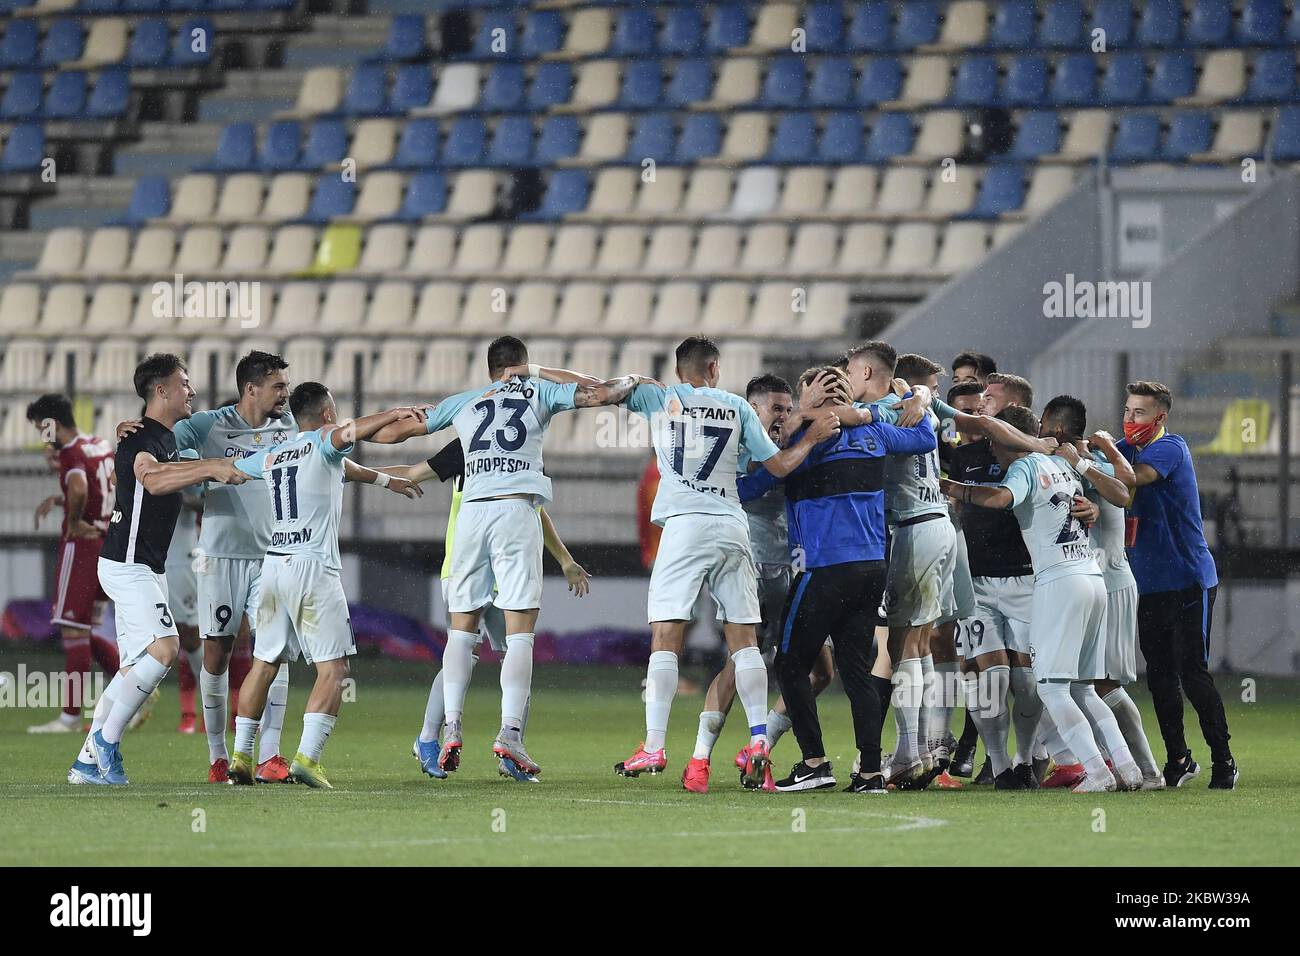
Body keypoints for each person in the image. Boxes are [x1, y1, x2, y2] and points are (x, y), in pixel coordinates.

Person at [370, 335, 651, 777]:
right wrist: (546, 373)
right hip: (517, 511)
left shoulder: (463, 401)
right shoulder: (538, 389)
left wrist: (348, 434)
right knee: (520, 635)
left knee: (461, 635)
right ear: (520, 364)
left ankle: (450, 728)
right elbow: (602, 391)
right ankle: (510, 735)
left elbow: (391, 434)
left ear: (488, 370)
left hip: (471, 518)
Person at [612, 336, 839, 788]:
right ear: (715, 369)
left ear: (681, 371)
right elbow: (776, 467)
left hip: (686, 526)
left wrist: (546, 376)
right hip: (733, 529)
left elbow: (601, 391)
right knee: (746, 645)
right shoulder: (736, 408)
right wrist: (810, 433)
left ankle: (655, 744)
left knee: (666, 636)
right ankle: (756, 740)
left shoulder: (663, 397)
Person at [740, 366, 939, 793]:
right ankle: (870, 773)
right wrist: (916, 399)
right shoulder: (877, 433)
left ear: (809, 396)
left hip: (823, 568)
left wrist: (798, 426)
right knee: (856, 670)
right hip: (871, 567)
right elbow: (925, 437)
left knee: (791, 664)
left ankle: (814, 763)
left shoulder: (800, 441)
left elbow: (751, 486)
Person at [227, 384, 424, 788]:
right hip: (312, 568)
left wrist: (386, 481)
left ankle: (242, 757)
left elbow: (341, 467)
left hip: (273, 567)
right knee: (334, 668)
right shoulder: (324, 441)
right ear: (327, 414)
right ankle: (307, 759)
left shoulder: (278, 452)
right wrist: (394, 412)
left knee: (264, 663)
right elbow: (351, 434)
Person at [68, 354, 250, 786]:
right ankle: (108, 744)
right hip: (127, 566)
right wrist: (211, 468)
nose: (191, 390)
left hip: (147, 567)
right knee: (165, 648)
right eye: (184, 383)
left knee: (135, 668)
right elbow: (152, 479)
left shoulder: (167, 437)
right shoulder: (139, 441)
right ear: (162, 391)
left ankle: (87, 761)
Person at [941, 406, 1141, 793]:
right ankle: (1128, 768)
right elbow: (1114, 493)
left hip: (1058, 581)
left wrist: (954, 488)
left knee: (1050, 687)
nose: (993, 453)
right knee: (1083, 687)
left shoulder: (1025, 466)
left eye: (996, 443)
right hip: (1092, 576)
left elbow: (1001, 498)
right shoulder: (1064, 463)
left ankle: (1098, 773)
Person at [372, 439, 592, 784]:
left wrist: (564, 559)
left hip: (498, 561)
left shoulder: (524, 444)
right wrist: (360, 474)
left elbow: (533, 508)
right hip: (466, 563)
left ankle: (508, 752)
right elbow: (414, 472)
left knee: (509, 654)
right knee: (480, 648)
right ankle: (429, 737)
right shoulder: (471, 442)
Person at [1117, 381, 1238, 790]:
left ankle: (1224, 760)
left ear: (1160, 417)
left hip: (1189, 579)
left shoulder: (1171, 449)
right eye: (1129, 410)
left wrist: (1086, 462)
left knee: (1192, 671)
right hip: (1149, 583)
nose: (1131, 419)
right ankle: (1179, 759)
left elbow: (1134, 478)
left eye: (1140, 413)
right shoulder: (1122, 447)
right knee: (1160, 675)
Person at [1039, 395, 1163, 790]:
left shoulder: (1081, 466)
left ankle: (1145, 770)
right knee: (1087, 684)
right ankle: (1121, 764)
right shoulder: (1079, 466)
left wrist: (1092, 454)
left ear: (1056, 430)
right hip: (1099, 582)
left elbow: (1125, 489)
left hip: (1107, 581)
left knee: (1103, 684)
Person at [27, 394, 120, 734]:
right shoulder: (98, 443)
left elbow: (80, 486)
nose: (41, 435)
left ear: (52, 423)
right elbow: (103, 485)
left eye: (41, 428)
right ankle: (137, 688)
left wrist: (76, 517)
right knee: (87, 628)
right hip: (106, 540)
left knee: (73, 629)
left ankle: (69, 717)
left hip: (81, 545)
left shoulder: (70, 452)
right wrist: (61, 499)